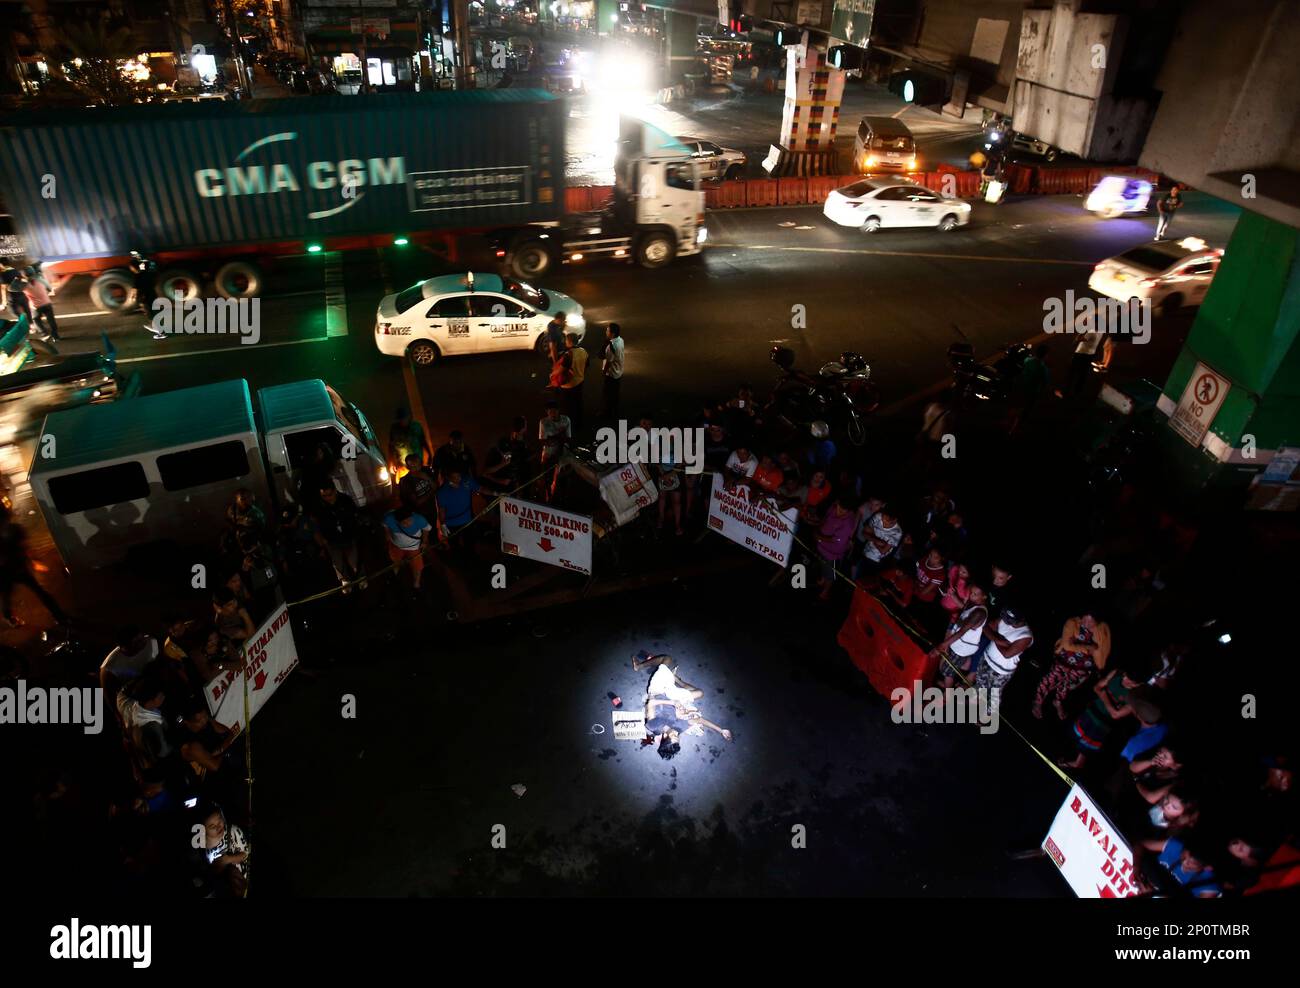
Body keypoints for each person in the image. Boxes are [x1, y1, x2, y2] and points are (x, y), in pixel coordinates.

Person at [1058, 665, 1145, 770]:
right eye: (1125, 676)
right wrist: (1105, 698)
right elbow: (1097, 687)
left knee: (1087, 746)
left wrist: (1103, 695)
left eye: (1130, 681)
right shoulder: (1117, 673)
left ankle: (1077, 764)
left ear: (1138, 683)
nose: (1125, 680)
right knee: (1075, 732)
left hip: (1103, 723)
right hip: (1091, 710)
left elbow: (1116, 714)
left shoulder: (1137, 695)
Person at [1033, 611, 1111, 720]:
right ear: (1082, 616)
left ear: (1097, 622)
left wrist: (1077, 645)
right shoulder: (1072, 623)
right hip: (1065, 661)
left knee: (1067, 685)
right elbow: (1067, 645)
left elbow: (1102, 651)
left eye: (1091, 622)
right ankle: (1038, 702)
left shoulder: (1102, 628)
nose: (1086, 624)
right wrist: (1089, 647)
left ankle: (1058, 702)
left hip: (1084, 667)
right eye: (1085, 619)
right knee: (1051, 679)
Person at [0, 503, 68, 628]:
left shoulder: (11, 529)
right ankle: (59, 616)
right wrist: (35, 561)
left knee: (6, 595)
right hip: (19, 567)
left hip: (4, 571)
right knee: (39, 591)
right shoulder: (14, 528)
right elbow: (25, 547)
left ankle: (10, 618)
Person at [974, 604, 1033, 717]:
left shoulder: (1026, 636)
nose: (1006, 621)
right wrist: (1000, 640)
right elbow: (986, 627)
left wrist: (994, 635)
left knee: (994, 694)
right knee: (981, 684)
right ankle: (979, 703)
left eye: (1011, 620)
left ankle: (986, 716)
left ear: (1021, 619)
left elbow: (1007, 654)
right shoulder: (1005, 618)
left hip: (1001, 671)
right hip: (986, 659)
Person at [930, 584, 988, 688]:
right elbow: (963, 607)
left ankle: (947, 694)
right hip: (961, 644)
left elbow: (962, 631)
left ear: (984, 596)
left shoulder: (979, 613)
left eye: (975, 594)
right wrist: (954, 595)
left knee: (946, 670)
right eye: (971, 592)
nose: (971, 595)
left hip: (962, 647)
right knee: (953, 664)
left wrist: (942, 646)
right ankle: (956, 675)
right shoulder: (974, 604)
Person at [311, 483, 364, 593]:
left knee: (354, 559)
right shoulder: (319, 506)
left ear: (335, 491)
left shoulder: (346, 500)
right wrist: (322, 540)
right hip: (331, 539)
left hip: (348, 535)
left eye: (329, 495)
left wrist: (355, 530)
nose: (327, 498)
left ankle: (361, 577)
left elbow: (355, 515)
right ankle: (345, 580)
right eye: (324, 496)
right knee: (337, 562)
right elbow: (316, 524)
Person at [192, 802, 250, 897]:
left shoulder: (233, 831)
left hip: (241, 881)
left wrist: (227, 859)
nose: (219, 826)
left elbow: (245, 854)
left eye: (220, 820)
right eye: (212, 826)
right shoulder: (201, 844)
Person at [814, 495, 856, 601]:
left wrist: (819, 537)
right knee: (823, 565)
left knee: (831, 575)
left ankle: (825, 591)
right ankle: (823, 580)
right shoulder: (833, 508)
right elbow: (825, 518)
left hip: (833, 554)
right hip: (821, 547)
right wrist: (818, 528)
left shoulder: (848, 523)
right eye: (839, 507)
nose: (840, 511)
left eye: (844, 510)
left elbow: (836, 540)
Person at [100, 626, 159, 696]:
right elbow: (109, 695)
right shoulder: (109, 668)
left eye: (142, 638)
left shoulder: (151, 641)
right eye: (137, 642)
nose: (143, 643)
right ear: (123, 647)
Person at [383, 504, 431, 590]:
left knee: (417, 566)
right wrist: (387, 533)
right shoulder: (389, 519)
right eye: (404, 523)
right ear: (397, 521)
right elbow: (385, 524)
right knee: (395, 562)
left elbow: (426, 529)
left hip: (414, 547)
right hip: (396, 546)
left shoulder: (419, 519)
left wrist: (424, 542)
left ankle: (416, 584)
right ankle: (393, 580)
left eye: (409, 520)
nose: (407, 524)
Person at [480, 417, 530, 494]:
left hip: (513, 486)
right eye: (525, 425)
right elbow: (486, 472)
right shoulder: (503, 445)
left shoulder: (522, 445)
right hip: (501, 488)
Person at [434, 469, 481, 545]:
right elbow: (441, 510)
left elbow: (480, 489)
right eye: (455, 477)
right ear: (448, 478)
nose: (459, 478)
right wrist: (442, 524)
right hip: (452, 523)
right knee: (454, 545)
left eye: (459, 476)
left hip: (467, 520)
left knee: (470, 542)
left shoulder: (466, 482)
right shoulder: (442, 492)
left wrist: (495, 493)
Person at [538, 401, 572, 500]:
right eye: (549, 412)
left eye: (554, 411)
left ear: (558, 411)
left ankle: (562, 496)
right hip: (548, 453)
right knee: (545, 476)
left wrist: (553, 439)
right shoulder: (543, 422)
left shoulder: (566, 420)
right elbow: (543, 441)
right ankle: (547, 496)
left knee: (562, 477)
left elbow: (568, 438)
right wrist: (559, 437)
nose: (552, 414)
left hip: (562, 453)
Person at [388, 407, 429, 476]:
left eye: (404, 419)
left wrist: (429, 454)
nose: (403, 421)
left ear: (409, 417)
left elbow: (423, 440)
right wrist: (391, 462)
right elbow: (391, 446)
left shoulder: (416, 426)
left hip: (417, 463)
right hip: (402, 465)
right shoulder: (394, 429)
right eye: (401, 419)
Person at [559, 333, 587, 431]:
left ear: (570, 342)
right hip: (580, 381)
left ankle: (569, 426)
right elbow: (586, 365)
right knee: (578, 403)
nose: (565, 342)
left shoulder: (568, 354)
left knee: (568, 406)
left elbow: (561, 370)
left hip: (569, 385)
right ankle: (579, 423)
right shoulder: (583, 351)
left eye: (566, 340)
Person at [23, 266, 58, 341]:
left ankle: (44, 334)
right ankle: (56, 336)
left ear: (25, 275)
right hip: (47, 303)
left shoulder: (24, 285)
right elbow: (49, 289)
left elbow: (12, 288)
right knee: (51, 320)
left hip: (36, 306)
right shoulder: (41, 280)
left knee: (35, 319)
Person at [601, 323, 624, 419]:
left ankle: (608, 414)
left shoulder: (611, 346)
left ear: (612, 333)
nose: (606, 332)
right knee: (615, 394)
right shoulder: (620, 340)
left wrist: (604, 372)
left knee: (608, 394)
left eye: (607, 330)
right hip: (619, 371)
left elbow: (609, 362)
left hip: (611, 373)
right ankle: (615, 411)